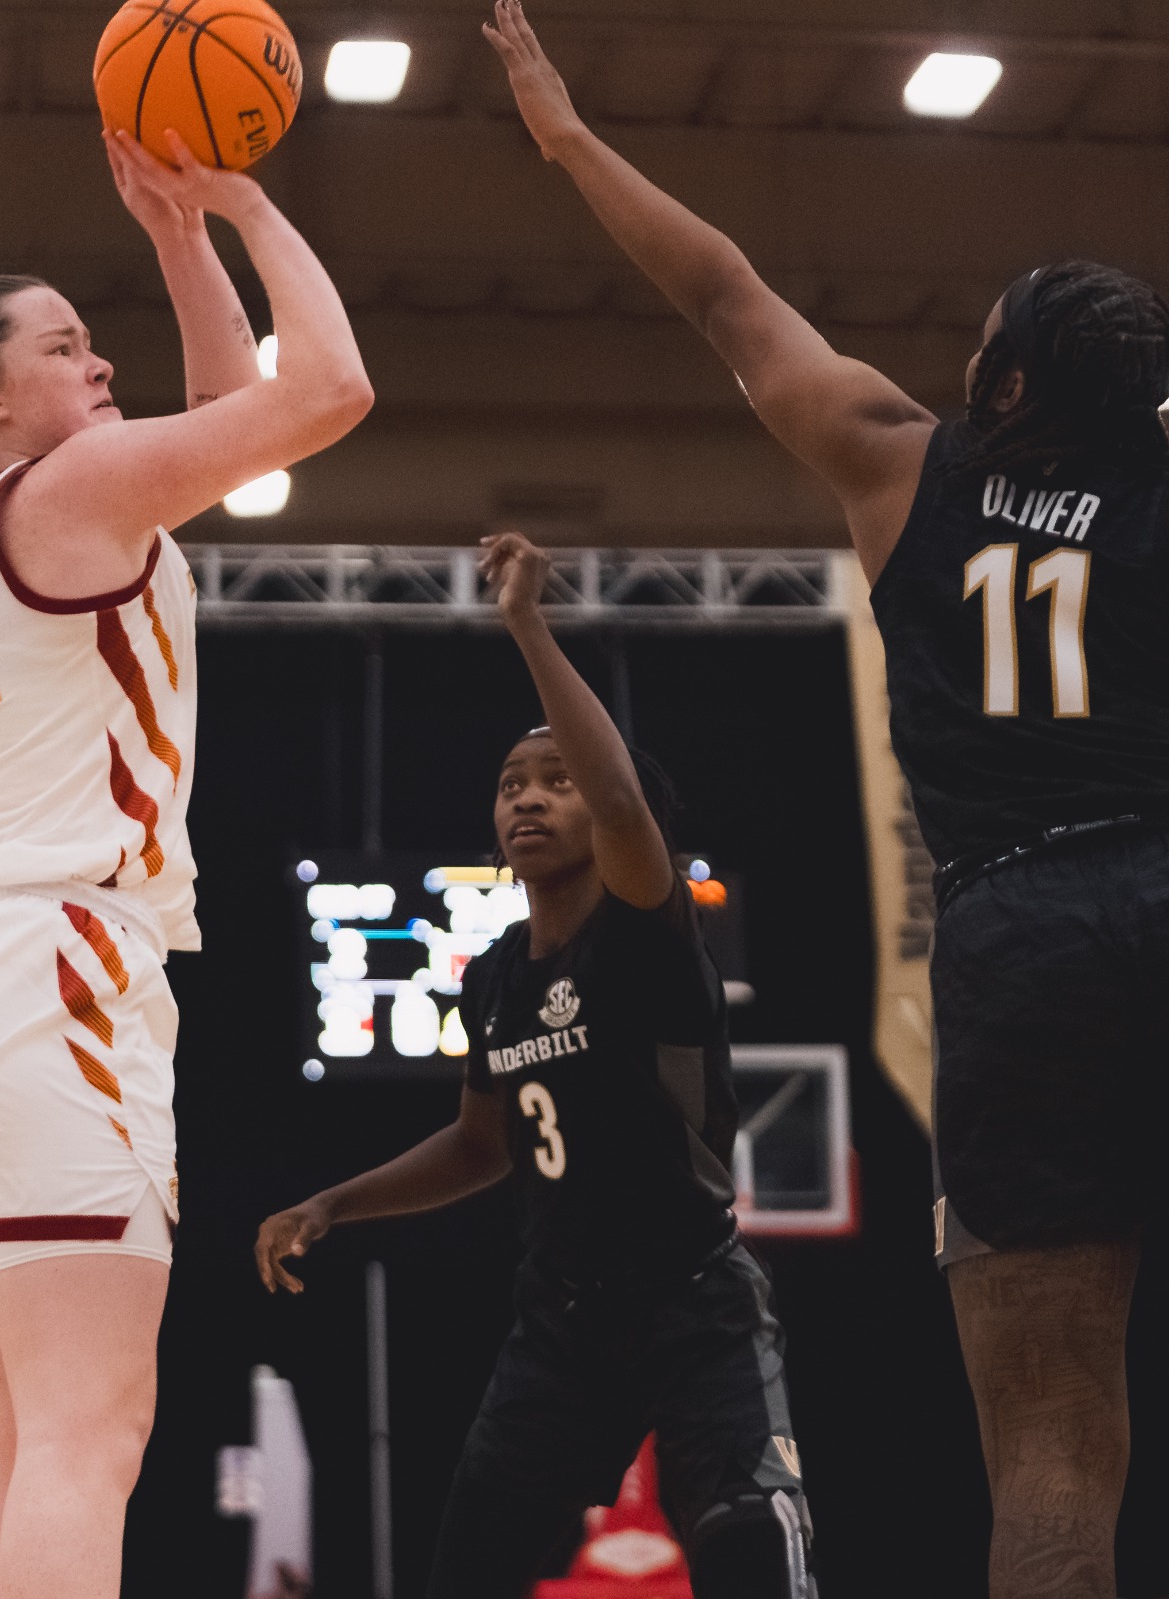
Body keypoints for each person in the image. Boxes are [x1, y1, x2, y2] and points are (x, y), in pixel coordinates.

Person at [480, 5, 1169, 1594]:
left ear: (996, 379)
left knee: (1055, 1450)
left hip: (1017, 938)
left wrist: (571, 137)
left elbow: (724, 291)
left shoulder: (898, 464)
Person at [0, 128, 372, 1599]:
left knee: (11, 1434)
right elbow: (324, 391)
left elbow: (224, 407)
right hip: (53, 971)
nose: (99, 365)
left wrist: (181, 240)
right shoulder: (73, 497)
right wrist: (245, 199)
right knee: (88, 1426)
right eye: (67, 348)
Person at [256, 533, 812, 1599]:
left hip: (693, 1303)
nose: (527, 797)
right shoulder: (497, 974)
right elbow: (479, 1144)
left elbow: (620, 806)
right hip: (560, 1322)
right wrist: (334, 1202)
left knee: (750, 1556)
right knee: (466, 1571)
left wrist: (523, 622)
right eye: (512, 782)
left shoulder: (649, 942)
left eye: (555, 779)